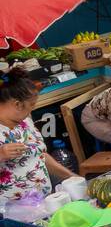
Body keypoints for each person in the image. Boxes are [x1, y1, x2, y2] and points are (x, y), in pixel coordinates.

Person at [0, 69, 74, 206]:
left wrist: (71, 177)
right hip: (11, 213)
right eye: (31, 105)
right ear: (17, 104)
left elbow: (40, 155)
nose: (32, 110)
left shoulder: (25, 122)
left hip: (43, 203)